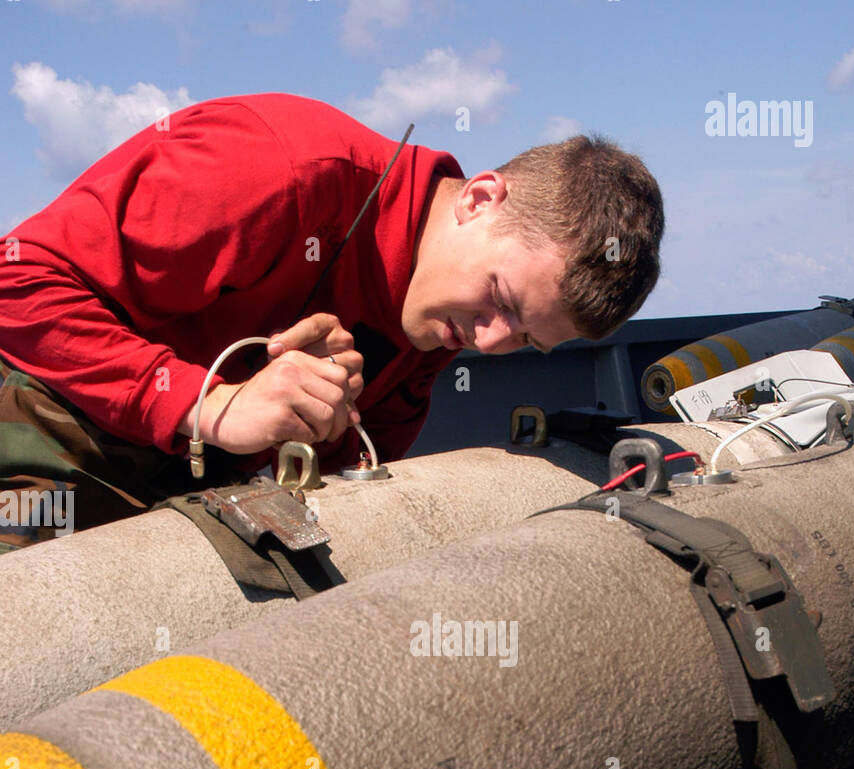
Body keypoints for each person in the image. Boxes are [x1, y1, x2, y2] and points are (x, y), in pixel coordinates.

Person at [0, 93, 663, 551]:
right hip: (46, 418)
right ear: (480, 199)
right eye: (501, 299)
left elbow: (349, 487)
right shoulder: (275, 167)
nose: (489, 341)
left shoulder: (437, 323)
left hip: (189, 483)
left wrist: (327, 425)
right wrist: (210, 403)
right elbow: (17, 278)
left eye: (524, 339)